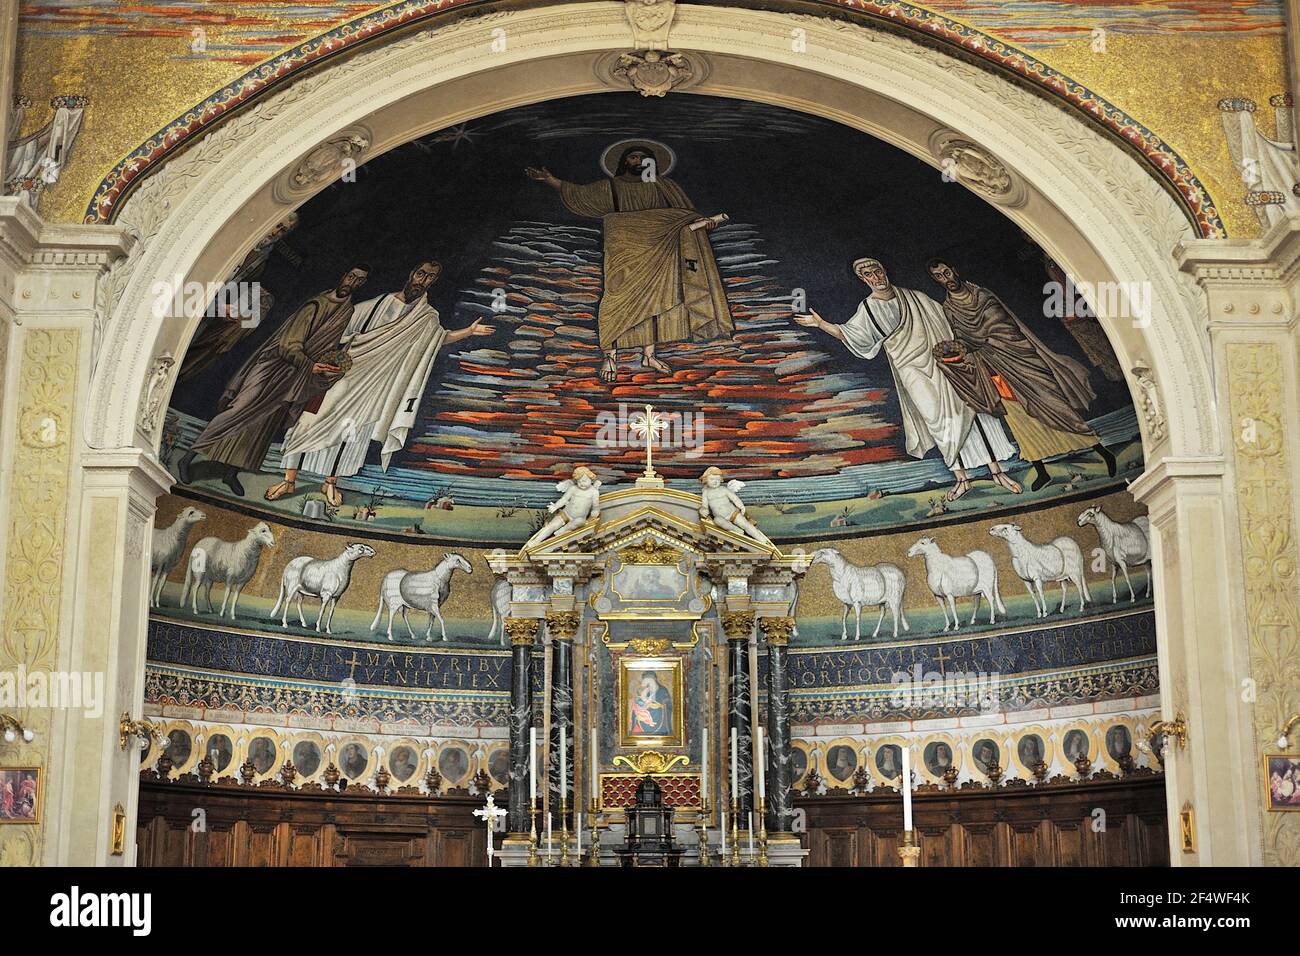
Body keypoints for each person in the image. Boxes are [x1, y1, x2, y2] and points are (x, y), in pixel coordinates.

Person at [794, 257, 1021, 500]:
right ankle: (961, 479)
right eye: (869, 274)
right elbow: (849, 334)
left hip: (944, 363)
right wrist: (820, 324)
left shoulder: (914, 297)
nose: (876, 277)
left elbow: (948, 320)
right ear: (863, 279)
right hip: (912, 371)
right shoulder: (869, 308)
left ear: (884, 271)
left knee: (970, 410)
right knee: (938, 420)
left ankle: (997, 472)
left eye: (877, 271)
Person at [268, 260, 493, 505]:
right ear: (411, 273)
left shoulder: (427, 318)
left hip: (376, 386)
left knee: (352, 431)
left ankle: (330, 483)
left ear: (434, 282)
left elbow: (437, 339)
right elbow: (339, 330)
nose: (423, 280)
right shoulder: (374, 305)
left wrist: (468, 332)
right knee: (309, 421)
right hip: (343, 376)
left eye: (430, 277)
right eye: (421, 274)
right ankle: (289, 480)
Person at [526, 139, 733, 381]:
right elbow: (580, 195)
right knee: (617, 298)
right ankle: (610, 356)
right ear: (625, 161)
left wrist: (702, 223)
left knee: (660, 298)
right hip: (624, 247)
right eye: (634, 157)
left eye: (644, 158)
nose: (639, 161)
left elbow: (685, 216)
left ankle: (649, 355)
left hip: (662, 248)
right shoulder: (611, 186)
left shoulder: (665, 186)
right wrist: (551, 180)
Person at [177, 264, 371, 495]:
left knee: (262, 426)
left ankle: (231, 473)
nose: (353, 282)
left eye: (359, 281)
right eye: (351, 276)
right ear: (343, 276)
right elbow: (288, 344)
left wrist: (329, 366)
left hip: (296, 376)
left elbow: (327, 346)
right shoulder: (316, 305)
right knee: (239, 409)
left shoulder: (346, 312)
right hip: (274, 366)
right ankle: (187, 458)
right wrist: (310, 364)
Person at [926, 258, 1117, 492]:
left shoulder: (982, 297)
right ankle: (1041, 471)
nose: (946, 279)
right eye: (939, 276)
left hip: (1019, 360)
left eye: (947, 272)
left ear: (954, 269)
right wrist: (958, 352)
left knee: (1053, 403)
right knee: (1019, 420)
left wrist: (976, 344)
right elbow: (963, 338)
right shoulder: (949, 308)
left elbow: (1002, 328)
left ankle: (1101, 451)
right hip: (994, 369)